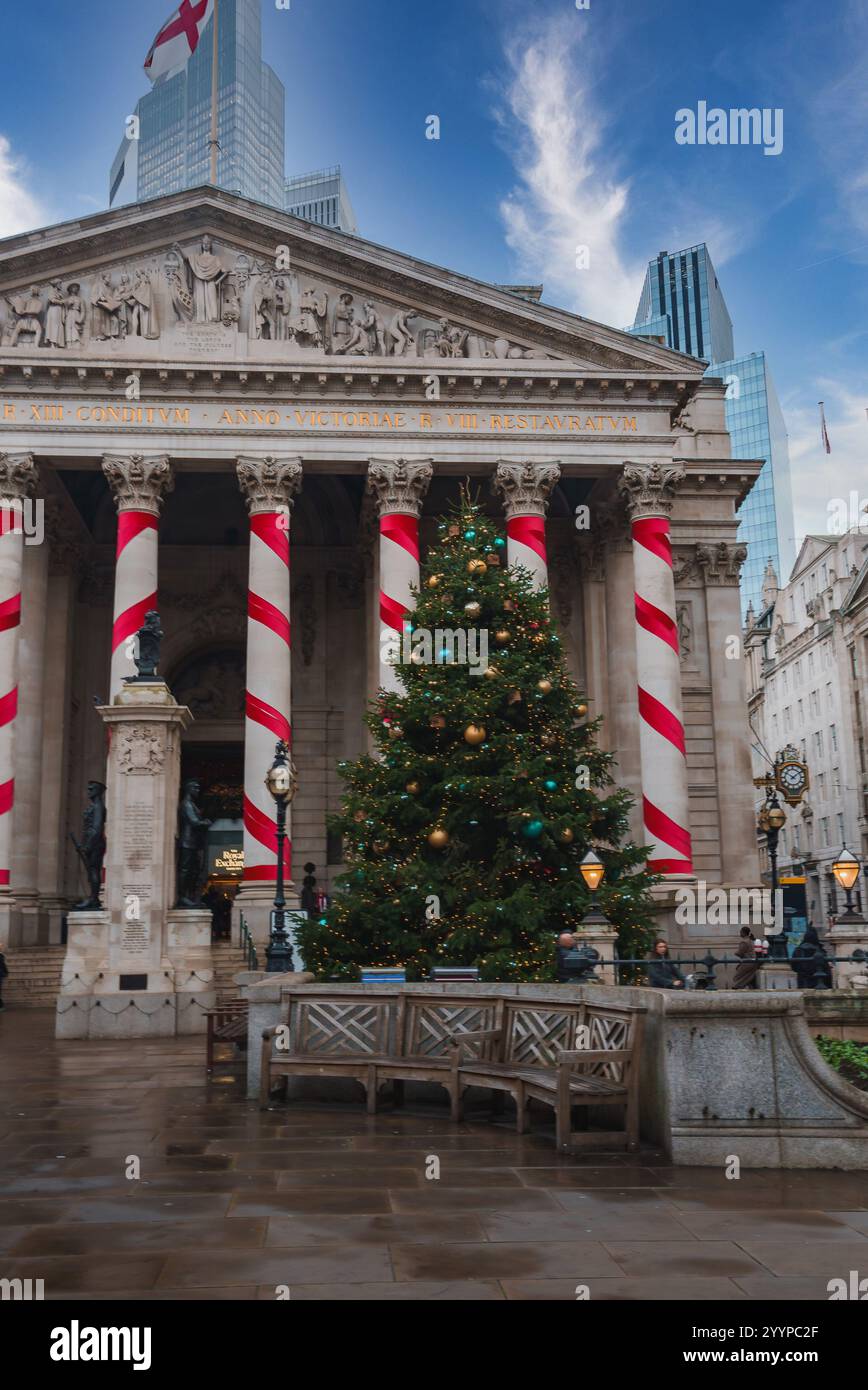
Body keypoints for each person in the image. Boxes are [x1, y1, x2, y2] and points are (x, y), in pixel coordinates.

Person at [790, 924, 831, 990]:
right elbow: (826, 968)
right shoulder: (820, 950)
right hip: (819, 982)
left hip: (803, 981)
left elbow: (794, 966)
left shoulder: (798, 950)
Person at [0, 941, 7, 1010]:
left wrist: (5, 972)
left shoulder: (1, 956)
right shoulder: (1, 956)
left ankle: (1, 1005)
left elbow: (3, 965)